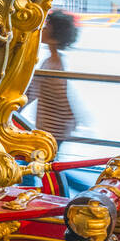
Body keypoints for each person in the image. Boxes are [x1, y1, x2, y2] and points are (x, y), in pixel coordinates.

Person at [26, 9, 81, 149]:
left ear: (54, 36)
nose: (42, 30)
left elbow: (59, 98)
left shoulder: (53, 65)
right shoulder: (52, 61)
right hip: (50, 129)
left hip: (52, 130)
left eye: (46, 27)